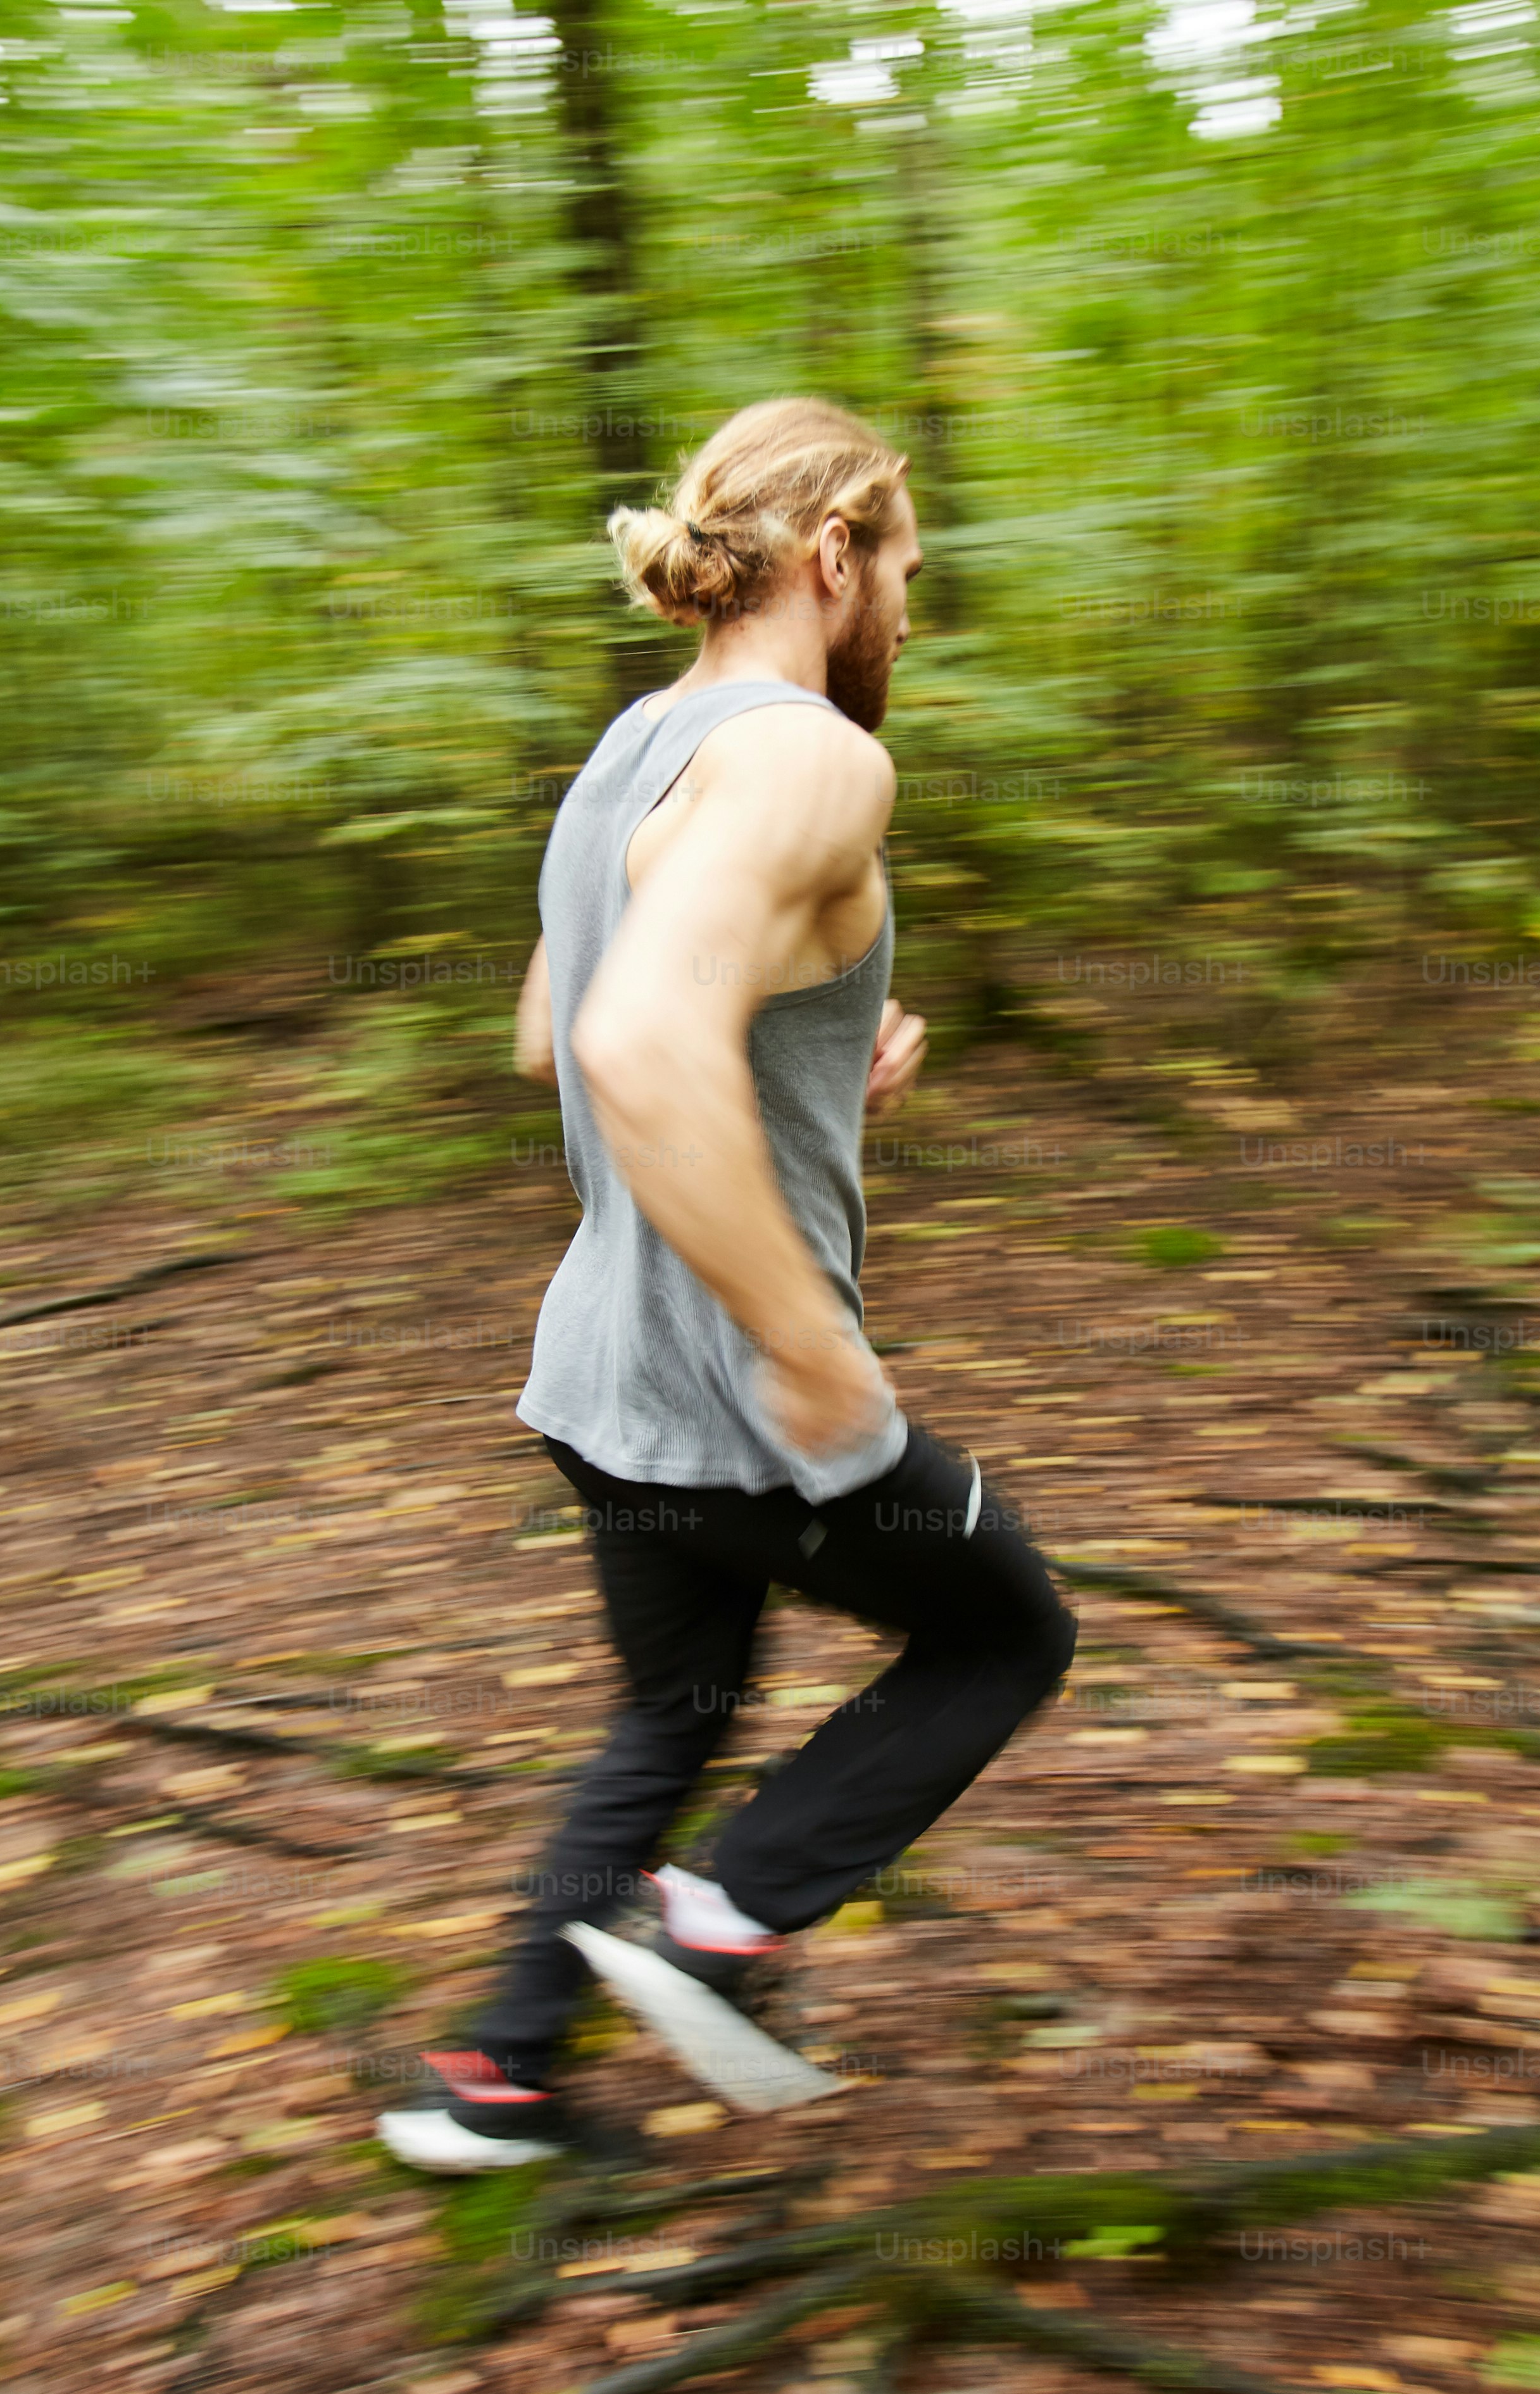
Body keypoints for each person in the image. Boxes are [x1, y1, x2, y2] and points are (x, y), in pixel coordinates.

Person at [378, 399, 1075, 2172]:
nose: (916, 603)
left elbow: (548, 1024)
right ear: (835, 552)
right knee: (1005, 1633)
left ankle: (500, 2077)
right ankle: (727, 1922)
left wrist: (826, 1064)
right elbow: (626, 1038)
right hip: (730, 1396)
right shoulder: (817, 756)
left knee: (670, 1718)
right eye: (908, 562)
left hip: (597, 1388)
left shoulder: (636, 742)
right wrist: (807, 1349)